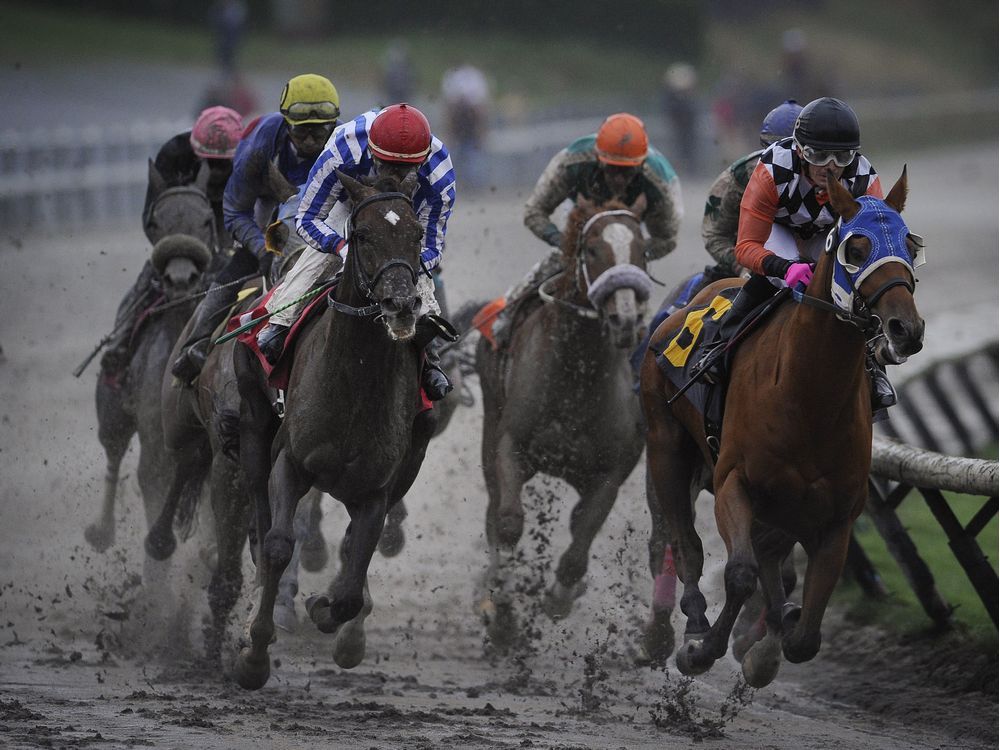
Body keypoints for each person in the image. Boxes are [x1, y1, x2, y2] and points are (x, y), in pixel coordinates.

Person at [253, 103, 457, 400]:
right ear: (372, 153)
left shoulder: (440, 174)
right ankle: (279, 324)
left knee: (418, 283)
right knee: (314, 262)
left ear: (423, 160)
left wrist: (405, 264)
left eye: (405, 170)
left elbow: (432, 245)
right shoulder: (343, 148)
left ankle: (431, 359)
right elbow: (308, 218)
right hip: (347, 207)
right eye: (388, 166)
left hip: (405, 217)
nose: (395, 177)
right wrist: (343, 248)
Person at [170, 74, 341, 384]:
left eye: (322, 132)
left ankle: (432, 352)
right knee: (231, 276)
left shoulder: (344, 144)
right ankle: (195, 345)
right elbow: (235, 211)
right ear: (287, 123)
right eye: (304, 133)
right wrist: (261, 249)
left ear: (335, 124)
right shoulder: (258, 149)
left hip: (326, 218)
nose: (314, 142)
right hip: (270, 216)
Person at [728, 96, 896, 408]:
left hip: (827, 232)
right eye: (818, 155)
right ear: (799, 150)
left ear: (853, 154)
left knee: (858, 291)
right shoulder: (772, 169)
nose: (830, 166)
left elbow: (878, 246)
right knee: (773, 282)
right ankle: (724, 347)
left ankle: (874, 369)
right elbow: (745, 247)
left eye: (841, 156)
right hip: (779, 229)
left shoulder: (863, 177)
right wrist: (781, 268)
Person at [492, 112, 683, 346]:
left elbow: (668, 237)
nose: (619, 179)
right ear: (597, 158)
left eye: (628, 171)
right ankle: (507, 316)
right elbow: (534, 212)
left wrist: (629, 256)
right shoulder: (572, 162)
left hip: (628, 232)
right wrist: (568, 244)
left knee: (630, 281)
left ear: (642, 165)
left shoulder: (659, 183)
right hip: (582, 221)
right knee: (555, 263)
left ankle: (640, 344)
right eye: (612, 169)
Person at [99, 106, 243, 380]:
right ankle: (119, 345)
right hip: (181, 232)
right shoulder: (174, 155)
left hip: (228, 217)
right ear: (195, 150)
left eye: (222, 164)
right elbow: (151, 217)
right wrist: (174, 251)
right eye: (207, 162)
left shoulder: (248, 158)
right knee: (148, 280)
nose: (214, 172)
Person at [666, 99, 803, 315]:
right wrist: (742, 267)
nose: (787, 161)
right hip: (748, 262)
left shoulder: (831, 176)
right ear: (764, 149)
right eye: (777, 151)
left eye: (796, 152)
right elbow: (715, 234)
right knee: (674, 317)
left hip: (806, 265)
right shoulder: (737, 178)